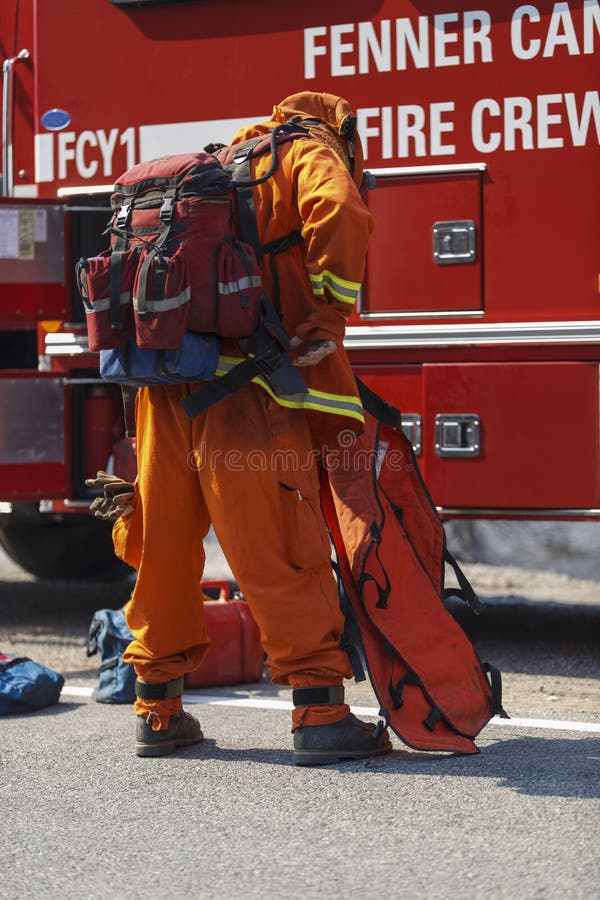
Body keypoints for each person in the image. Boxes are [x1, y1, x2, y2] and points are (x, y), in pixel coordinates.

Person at [88, 92, 392, 766]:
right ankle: (321, 715)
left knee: (162, 544)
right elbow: (341, 212)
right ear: (343, 131)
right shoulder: (305, 150)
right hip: (246, 389)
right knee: (279, 544)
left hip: (165, 386)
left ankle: (157, 711)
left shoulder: (226, 161)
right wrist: (331, 315)